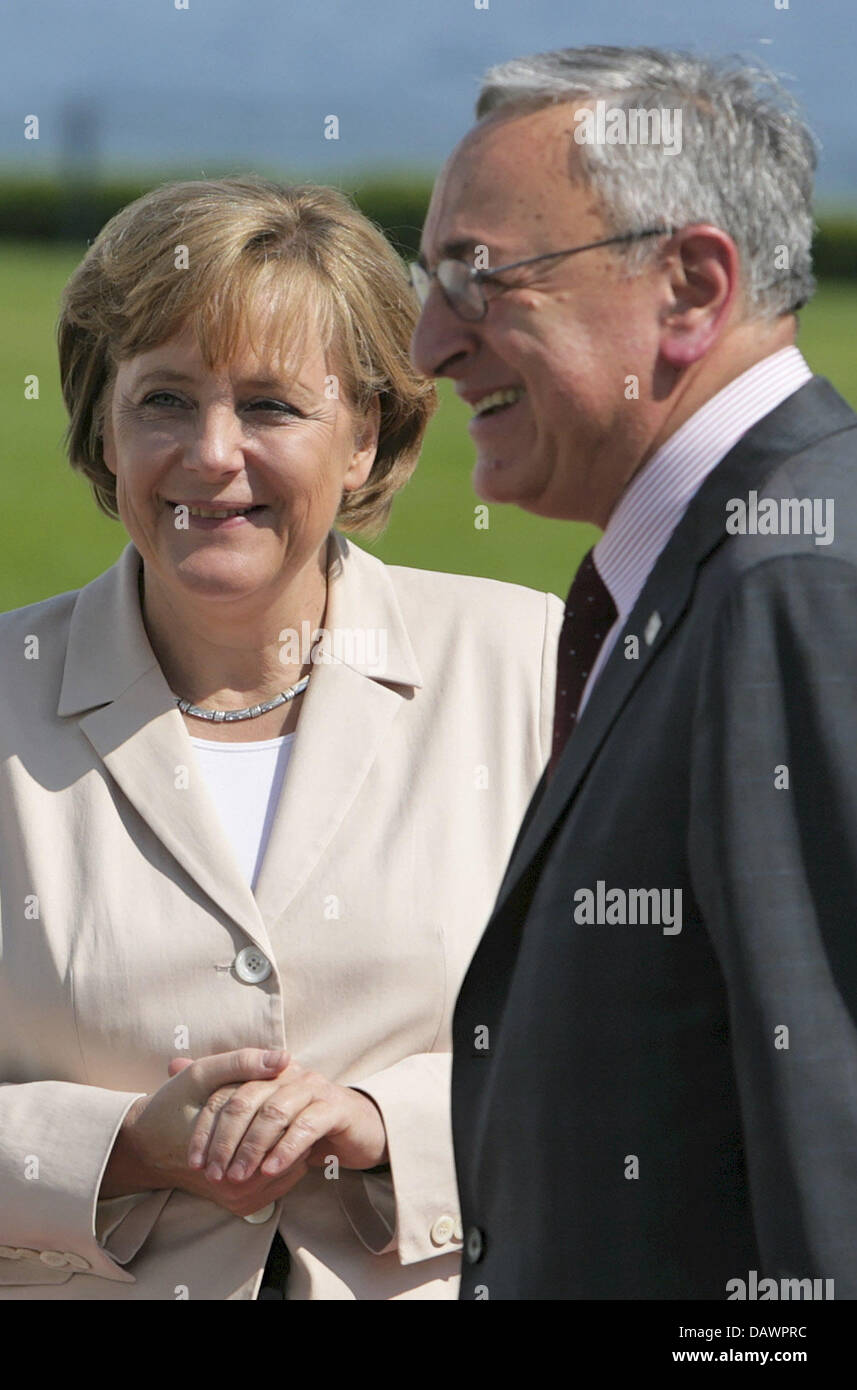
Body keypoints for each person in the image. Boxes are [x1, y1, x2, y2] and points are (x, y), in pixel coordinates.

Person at [0, 176, 560, 1300]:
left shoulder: (525, 664)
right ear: (103, 432)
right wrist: (118, 1147)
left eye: (269, 406)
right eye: (163, 400)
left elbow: (635, 1074)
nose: (211, 455)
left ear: (365, 436)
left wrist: (380, 1125)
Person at [410, 45, 857, 1299]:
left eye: (477, 277)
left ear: (689, 289)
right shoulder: (718, 564)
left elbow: (833, 1134)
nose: (429, 341)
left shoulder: (794, 582)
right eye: (427, 277)